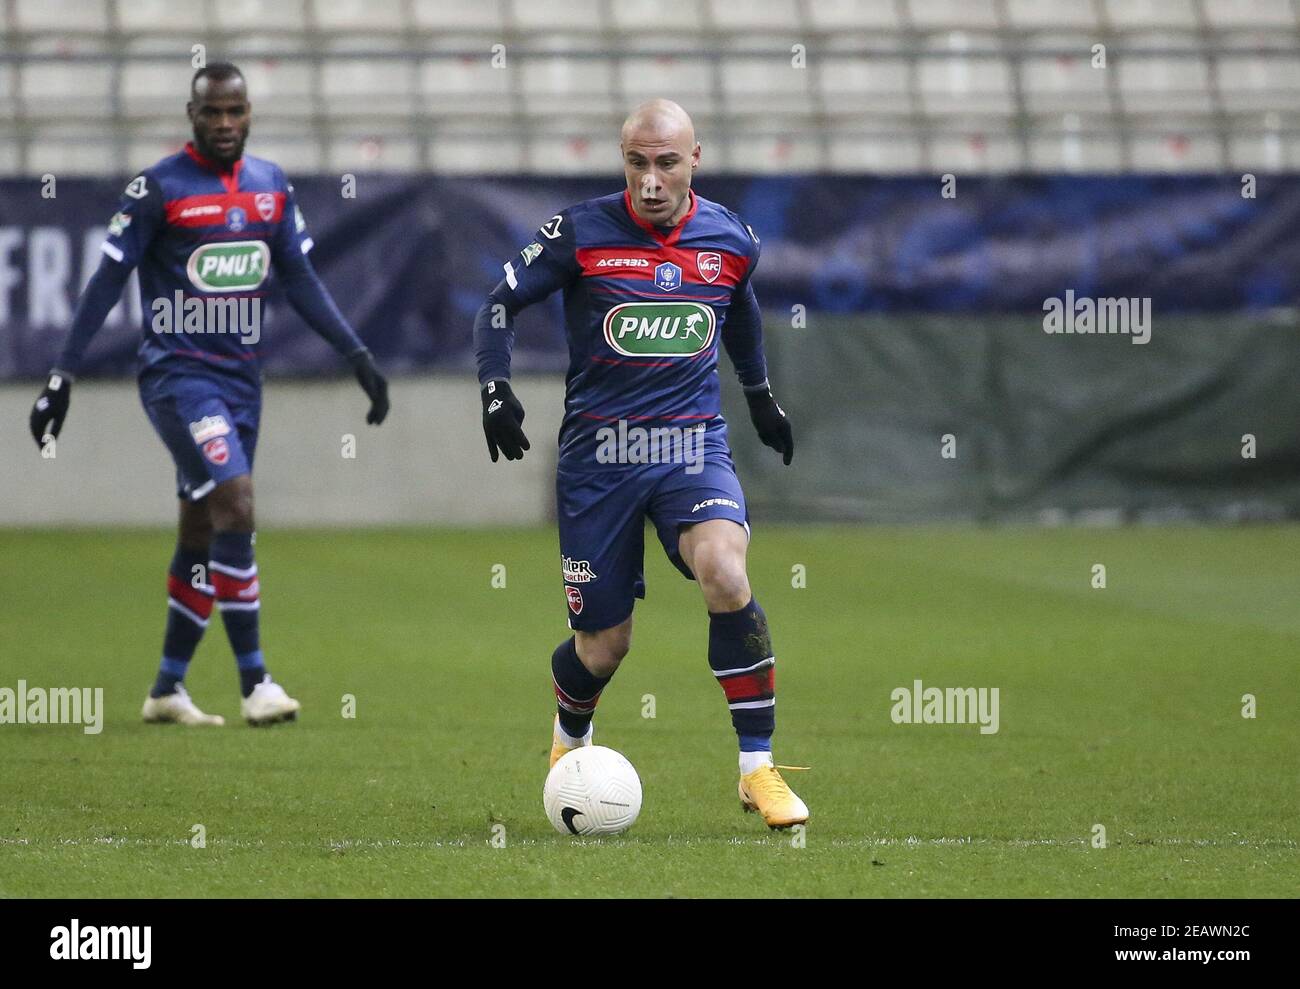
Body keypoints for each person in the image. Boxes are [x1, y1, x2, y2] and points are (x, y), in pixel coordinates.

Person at [473, 99, 807, 827]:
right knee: (604, 644)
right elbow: (497, 304)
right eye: (636, 163)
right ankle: (570, 739)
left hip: (691, 448)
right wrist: (495, 386)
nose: (650, 180)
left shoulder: (730, 238)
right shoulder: (580, 231)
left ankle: (758, 769)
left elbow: (741, 312)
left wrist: (759, 398)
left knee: (725, 570)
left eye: (666, 162)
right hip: (599, 459)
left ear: (695, 160)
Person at [28, 62, 390, 727]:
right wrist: (62, 375)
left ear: (249, 113)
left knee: (200, 528)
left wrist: (356, 354)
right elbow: (106, 284)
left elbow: (302, 279)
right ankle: (256, 683)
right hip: (178, 380)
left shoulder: (270, 187)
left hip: (241, 383)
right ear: (190, 116)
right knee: (237, 503)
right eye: (212, 113)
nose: (225, 124)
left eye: (235, 111)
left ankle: (167, 686)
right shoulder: (158, 188)